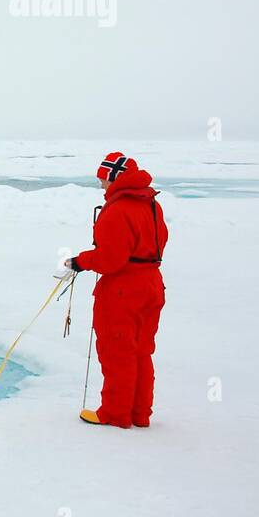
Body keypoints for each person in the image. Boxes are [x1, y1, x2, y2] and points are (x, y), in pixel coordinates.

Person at [64, 151, 169, 429]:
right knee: (141, 351)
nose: (101, 186)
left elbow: (111, 259)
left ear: (114, 177)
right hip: (151, 285)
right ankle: (139, 414)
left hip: (124, 291)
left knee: (117, 352)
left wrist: (80, 261)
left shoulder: (119, 209)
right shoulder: (151, 205)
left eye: (103, 180)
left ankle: (115, 413)